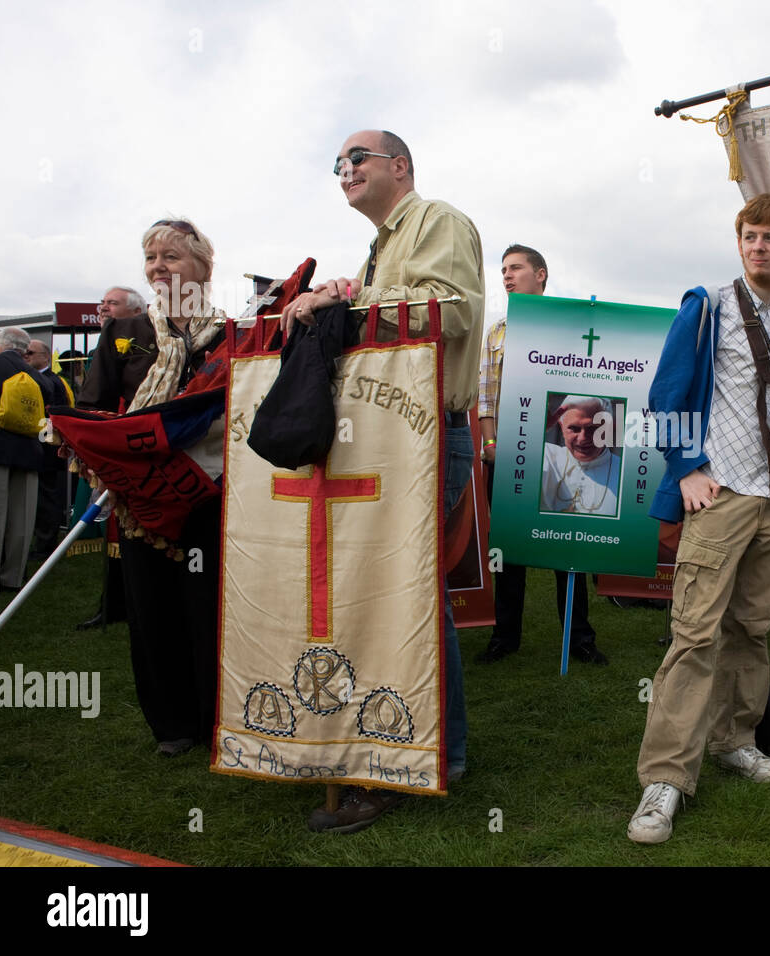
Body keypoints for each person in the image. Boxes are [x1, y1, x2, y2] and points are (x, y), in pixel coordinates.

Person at [281, 129, 485, 832]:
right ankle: (421, 747)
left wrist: (342, 308)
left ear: (400, 167)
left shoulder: (439, 221)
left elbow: (452, 309)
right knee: (400, 589)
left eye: (356, 158)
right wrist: (346, 292)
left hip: (427, 429)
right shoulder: (381, 246)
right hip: (390, 431)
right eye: (337, 163)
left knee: (411, 591)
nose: (344, 170)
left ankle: (422, 756)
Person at [629, 193, 770, 845]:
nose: (758, 246)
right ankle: (663, 781)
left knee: (752, 629)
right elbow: (666, 393)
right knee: (695, 635)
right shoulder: (707, 305)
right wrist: (686, 468)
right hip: (719, 492)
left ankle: (734, 740)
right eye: (749, 235)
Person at [76, 219, 227, 756]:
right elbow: (93, 406)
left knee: (208, 605)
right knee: (152, 607)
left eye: (171, 257)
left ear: (202, 267)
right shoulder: (125, 333)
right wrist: (106, 457)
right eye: (151, 259)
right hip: (140, 495)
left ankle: (217, 719)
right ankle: (173, 725)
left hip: (210, 492)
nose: (158, 267)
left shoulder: (232, 333)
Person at [477, 246, 606, 664]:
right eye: (503, 271)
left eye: (516, 268)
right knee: (508, 551)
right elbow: (485, 400)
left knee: (567, 546)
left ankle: (579, 640)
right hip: (507, 457)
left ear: (541, 274)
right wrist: (492, 446)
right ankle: (504, 637)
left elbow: (589, 381)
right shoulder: (496, 333)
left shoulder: (570, 328)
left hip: (561, 452)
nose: (507, 276)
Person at [76, 285, 150, 631]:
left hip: (137, 436)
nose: (103, 307)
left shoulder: (146, 339)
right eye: (103, 302)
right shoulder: (107, 340)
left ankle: (137, 603)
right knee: (113, 527)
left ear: (135, 311)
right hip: (108, 437)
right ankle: (114, 602)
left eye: (112, 303)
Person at [0, 328, 54, 592]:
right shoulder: (41, 377)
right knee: (21, 519)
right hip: (31, 453)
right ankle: (13, 577)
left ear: (1, 345)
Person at [23, 338, 73, 564]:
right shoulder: (49, 380)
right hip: (46, 447)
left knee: (46, 499)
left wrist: (43, 444)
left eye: (30, 352)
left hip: (47, 449)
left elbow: (50, 418)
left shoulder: (49, 381)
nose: (27, 356)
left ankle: (45, 546)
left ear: (45, 355)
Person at [540, 395, 623, 516]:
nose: (582, 438)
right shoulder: (543, 456)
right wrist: (535, 430)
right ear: (561, 426)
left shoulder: (624, 474)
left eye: (593, 429)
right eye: (574, 428)